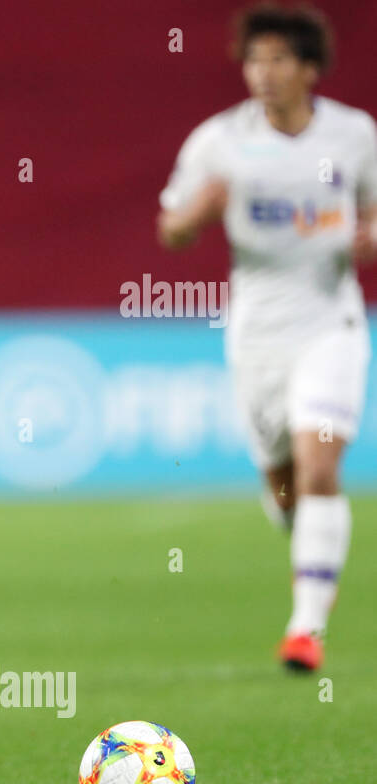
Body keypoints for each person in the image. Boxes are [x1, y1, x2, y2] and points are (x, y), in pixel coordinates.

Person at [158, 2, 376, 672]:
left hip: (330, 321)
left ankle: (305, 629)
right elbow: (170, 230)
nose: (264, 72)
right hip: (257, 332)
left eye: (279, 59)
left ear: (309, 68)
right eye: (255, 59)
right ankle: (294, 521)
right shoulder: (219, 142)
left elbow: (372, 212)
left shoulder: (353, 135)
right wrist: (197, 214)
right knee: (285, 483)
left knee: (319, 465)